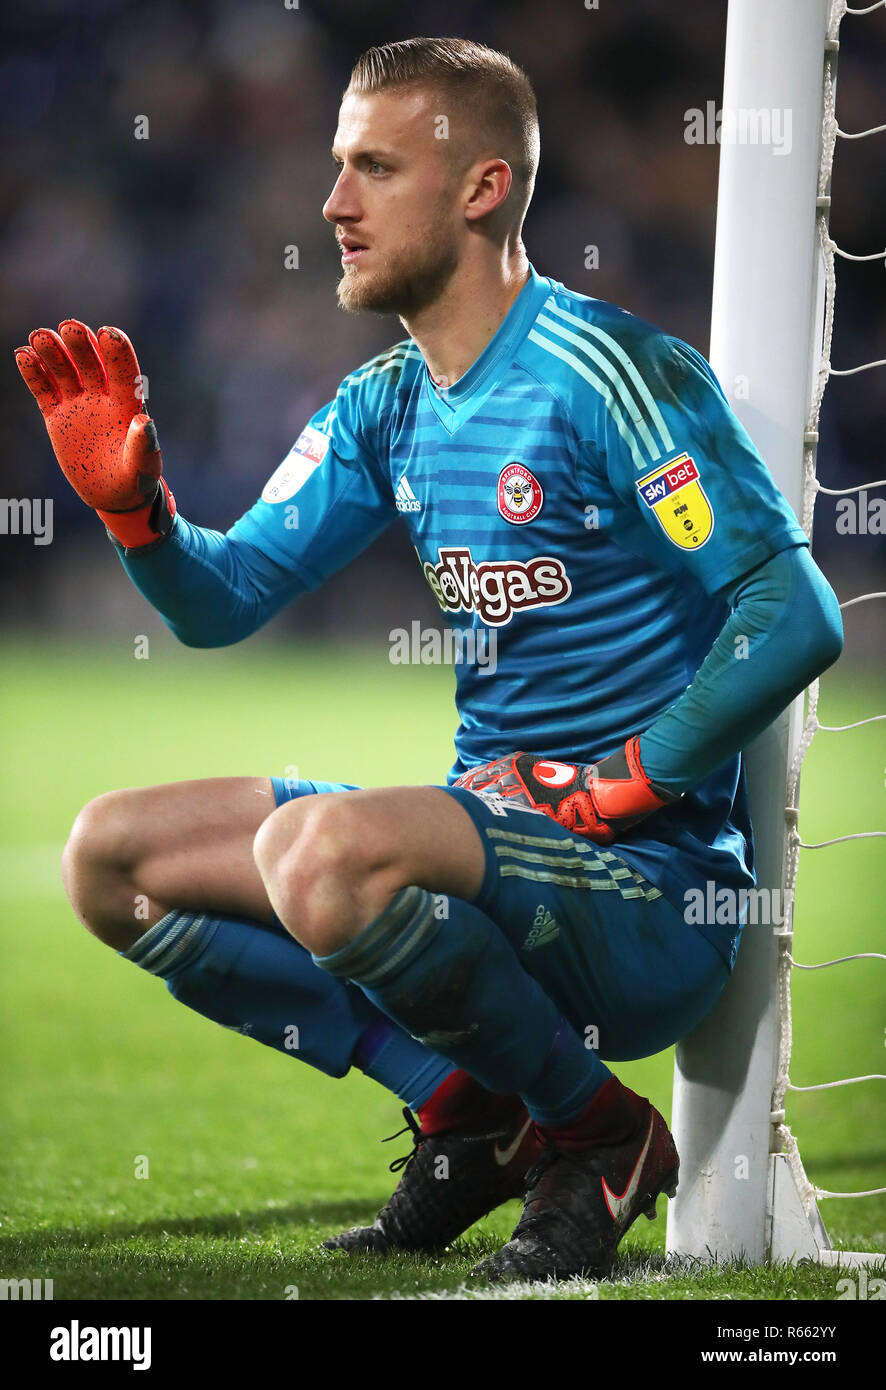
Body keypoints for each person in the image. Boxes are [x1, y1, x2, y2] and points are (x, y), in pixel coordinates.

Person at [15, 37, 843, 1283]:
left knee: (320, 855)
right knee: (111, 861)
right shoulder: (385, 402)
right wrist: (141, 518)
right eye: (337, 166)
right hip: (493, 845)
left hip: (648, 897)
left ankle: (600, 1137)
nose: (333, 204)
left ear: (481, 189)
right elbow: (222, 599)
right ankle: (479, 1109)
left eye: (374, 168)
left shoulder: (606, 375)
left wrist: (624, 779)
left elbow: (791, 612)